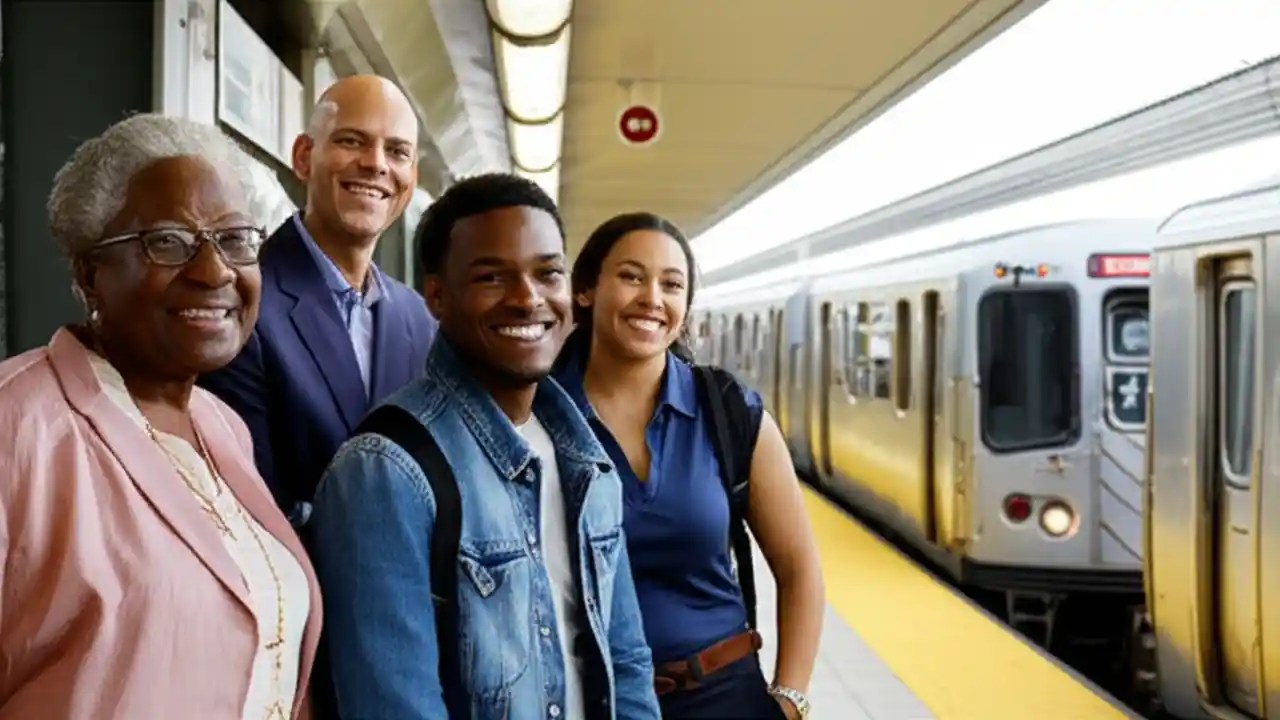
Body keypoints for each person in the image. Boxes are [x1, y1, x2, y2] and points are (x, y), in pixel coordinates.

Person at [0, 114, 322, 719]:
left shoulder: (222, 425)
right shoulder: (15, 428)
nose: (215, 271)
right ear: (90, 276)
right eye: (168, 242)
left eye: (234, 239)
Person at [309, 173, 662, 720]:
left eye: (548, 274)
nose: (528, 299)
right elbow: (394, 707)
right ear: (437, 296)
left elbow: (628, 662)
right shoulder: (385, 473)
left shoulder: (586, 457)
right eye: (492, 277)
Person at [552, 212, 826, 719]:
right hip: (587, 701)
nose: (651, 298)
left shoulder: (729, 412)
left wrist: (790, 700)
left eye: (671, 284)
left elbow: (800, 567)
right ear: (585, 290)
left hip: (724, 695)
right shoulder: (540, 414)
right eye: (631, 276)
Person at [199, 74, 437, 528]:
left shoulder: (418, 320)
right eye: (352, 141)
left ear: (412, 178)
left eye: (397, 152)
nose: (376, 164)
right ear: (304, 157)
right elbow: (250, 505)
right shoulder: (242, 303)